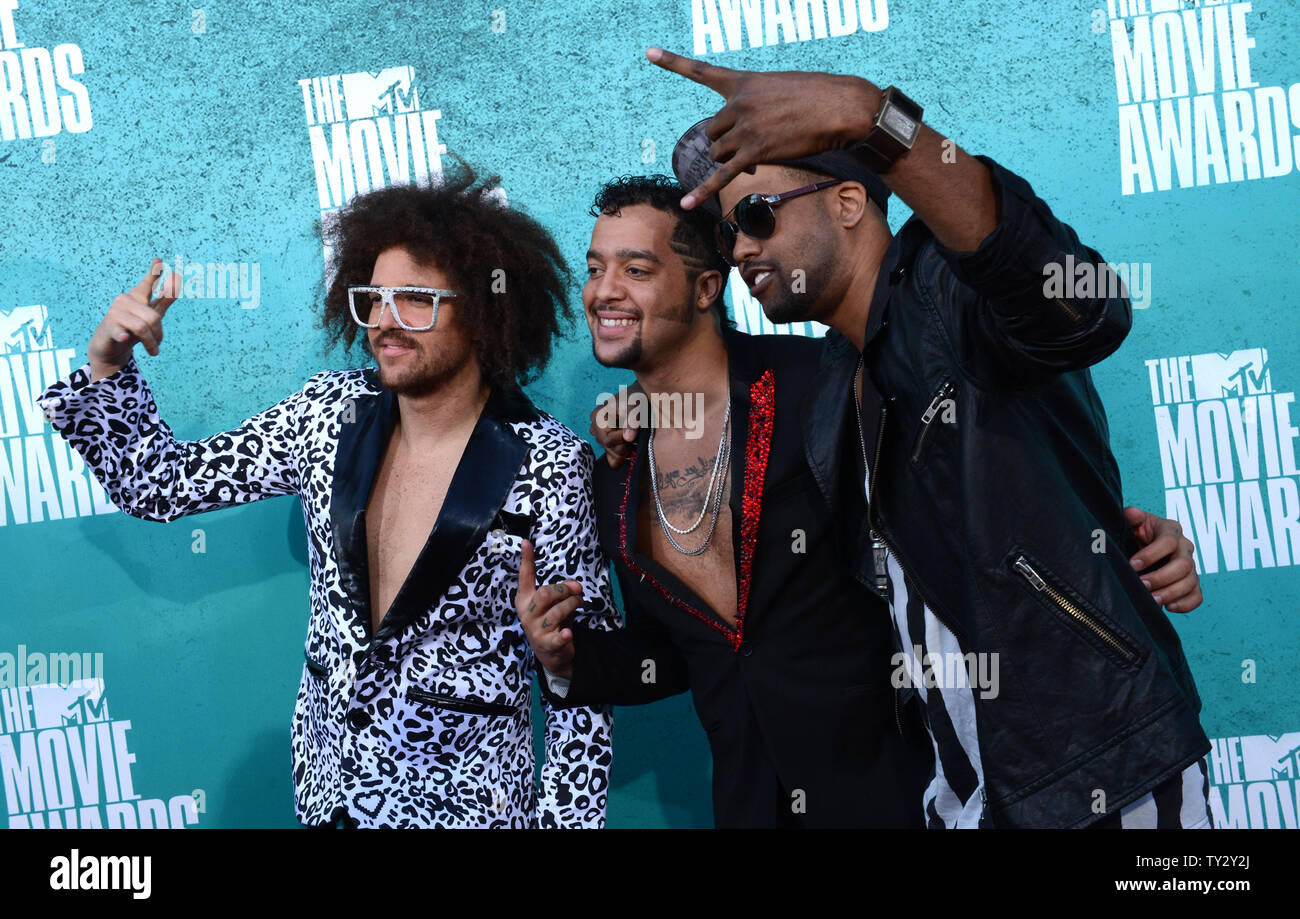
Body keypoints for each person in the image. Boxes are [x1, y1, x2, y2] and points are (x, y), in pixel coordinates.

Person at [521, 174, 1205, 828]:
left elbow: (978, 482)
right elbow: (684, 653)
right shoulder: (615, 468)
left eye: (635, 270)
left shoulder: (826, 384)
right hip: (753, 808)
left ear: (705, 287)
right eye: (593, 269)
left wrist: (1125, 540)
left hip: (910, 794)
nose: (602, 291)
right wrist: (566, 659)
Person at [649, 46, 1212, 829]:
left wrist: (877, 118)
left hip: (1100, 767)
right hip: (963, 794)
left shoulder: (950, 294)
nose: (740, 247)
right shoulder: (828, 390)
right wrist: (634, 421)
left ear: (850, 201)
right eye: (725, 231)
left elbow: (1082, 305)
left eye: (755, 214)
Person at [36, 168, 617, 829]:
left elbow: (583, 685)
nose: (387, 323)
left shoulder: (549, 464)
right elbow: (160, 483)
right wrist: (108, 366)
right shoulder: (327, 414)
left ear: (484, 312)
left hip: (467, 812)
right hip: (330, 798)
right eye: (374, 297)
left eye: (417, 300)